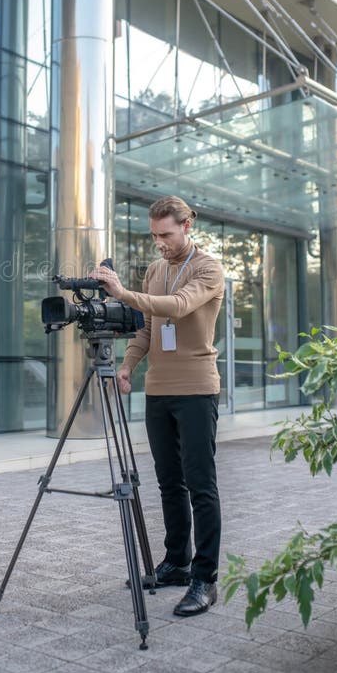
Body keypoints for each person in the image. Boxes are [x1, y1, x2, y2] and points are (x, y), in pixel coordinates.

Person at [90, 196, 225, 617]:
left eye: (166, 234)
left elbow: (179, 306)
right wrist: (127, 366)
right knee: (169, 483)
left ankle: (205, 578)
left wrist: (123, 294)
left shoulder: (208, 269)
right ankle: (177, 563)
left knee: (201, 485)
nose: (160, 243)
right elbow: (148, 328)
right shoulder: (154, 270)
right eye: (154, 236)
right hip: (159, 390)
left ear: (187, 226)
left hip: (197, 389)